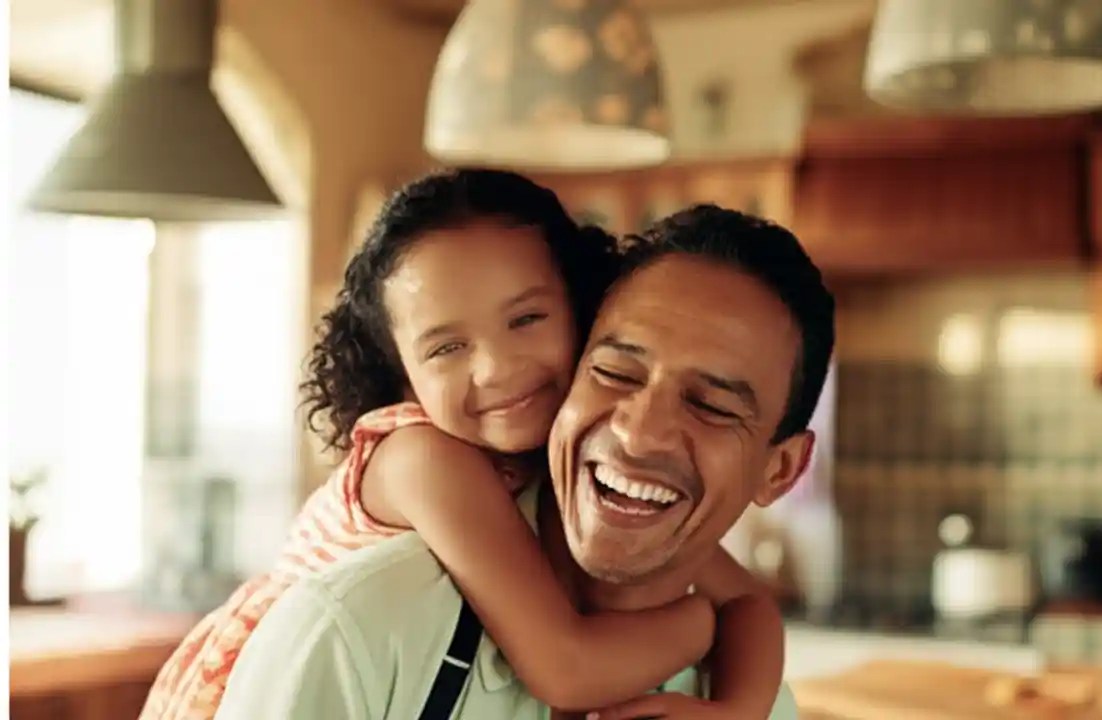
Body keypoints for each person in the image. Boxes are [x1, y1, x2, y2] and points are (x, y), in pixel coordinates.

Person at [141, 171, 787, 720]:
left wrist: (735, 713)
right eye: (448, 347)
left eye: (527, 319)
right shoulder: (425, 458)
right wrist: (701, 626)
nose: (498, 369)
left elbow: (750, 602)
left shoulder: (568, 466)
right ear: (402, 374)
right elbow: (564, 665)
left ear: (582, 309)